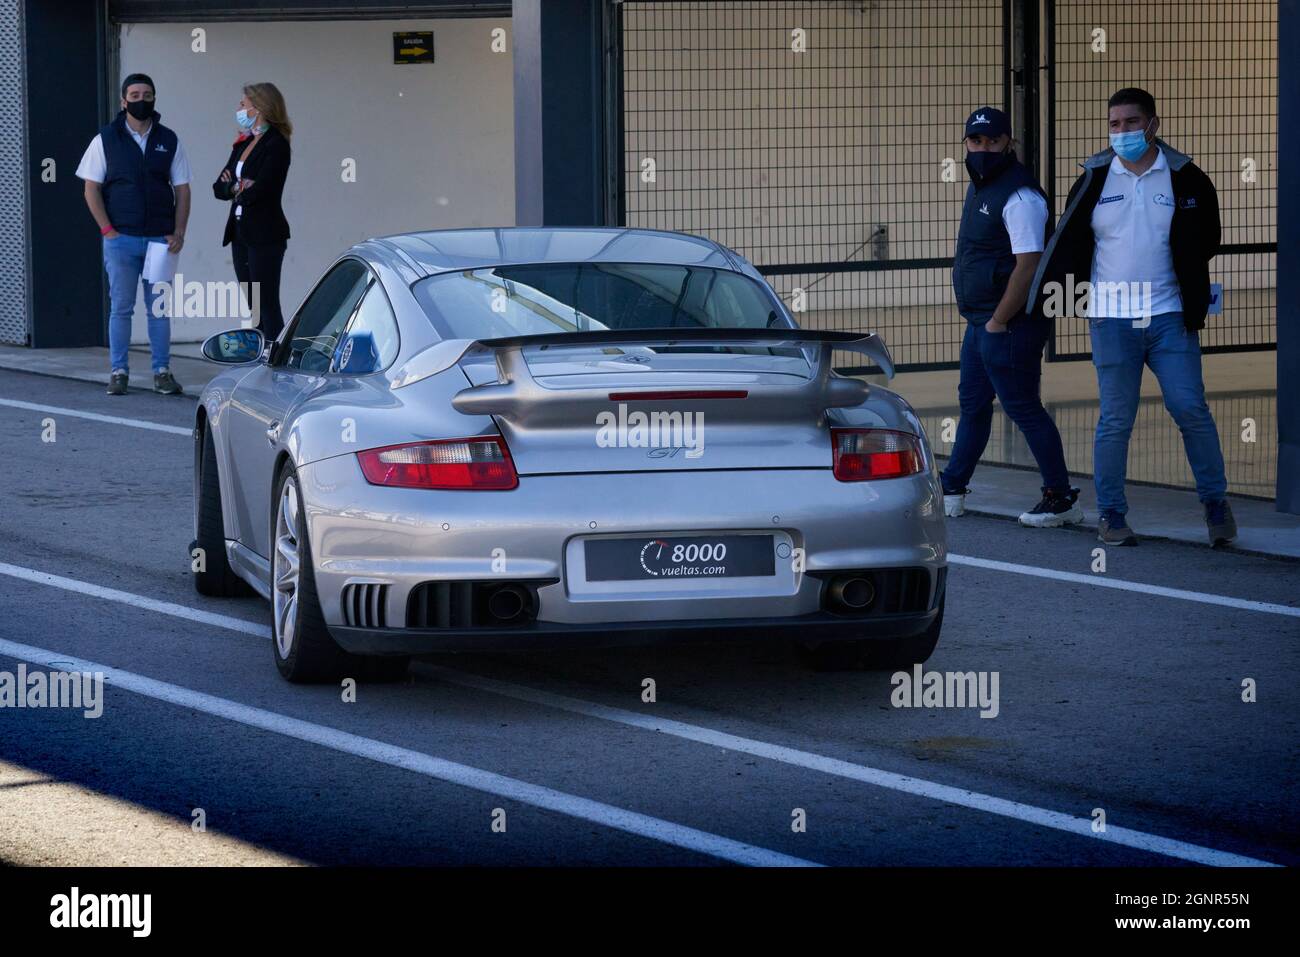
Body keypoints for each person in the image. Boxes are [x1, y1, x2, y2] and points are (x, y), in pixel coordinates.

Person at [1029, 88, 1234, 546]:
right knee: (1116, 419)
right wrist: (1063, 298)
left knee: (1190, 408)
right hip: (1111, 319)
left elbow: (1209, 239)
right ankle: (1113, 515)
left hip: (1170, 316)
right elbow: (1071, 242)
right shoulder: (1094, 179)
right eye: (1115, 124)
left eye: (1131, 122)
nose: (1122, 132)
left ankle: (1216, 505)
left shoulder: (1185, 177)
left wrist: (1192, 290)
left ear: (1153, 125)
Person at [941, 107, 1082, 528]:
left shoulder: (1021, 196)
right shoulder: (982, 186)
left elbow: (1028, 265)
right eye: (975, 141)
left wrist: (999, 320)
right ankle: (951, 486)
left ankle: (1060, 498)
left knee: (1022, 407)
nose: (983, 149)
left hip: (1009, 322)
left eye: (993, 141)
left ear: (1009, 144)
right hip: (982, 319)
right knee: (973, 404)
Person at [77, 73, 191, 395]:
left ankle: (162, 371)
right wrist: (107, 229)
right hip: (121, 239)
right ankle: (119, 371)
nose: (142, 100)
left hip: (160, 240)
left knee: (158, 309)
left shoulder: (168, 139)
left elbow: (182, 189)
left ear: (154, 98)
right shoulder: (106, 139)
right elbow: (91, 188)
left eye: (148, 94)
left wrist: (179, 231)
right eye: (135, 94)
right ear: (123, 101)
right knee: (121, 308)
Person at [213, 83, 292, 341]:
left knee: (267, 302)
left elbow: (263, 189)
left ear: (259, 108)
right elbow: (219, 186)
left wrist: (236, 187)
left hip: (265, 233)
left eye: (243, 104)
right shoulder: (243, 143)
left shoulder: (276, 144)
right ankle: (260, 353)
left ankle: (275, 356)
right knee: (254, 304)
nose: (239, 108)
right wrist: (238, 186)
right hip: (240, 232)